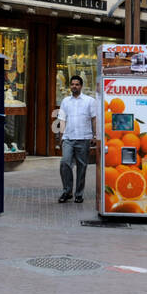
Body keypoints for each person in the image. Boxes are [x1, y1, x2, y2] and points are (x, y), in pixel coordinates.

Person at [52, 75, 97, 204]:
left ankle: (79, 194)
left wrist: (95, 136)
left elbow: (94, 119)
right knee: (65, 163)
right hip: (68, 138)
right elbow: (62, 119)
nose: (74, 86)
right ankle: (67, 191)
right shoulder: (66, 101)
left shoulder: (89, 101)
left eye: (77, 84)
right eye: (72, 84)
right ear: (70, 86)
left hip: (83, 137)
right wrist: (61, 137)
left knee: (82, 167)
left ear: (81, 86)